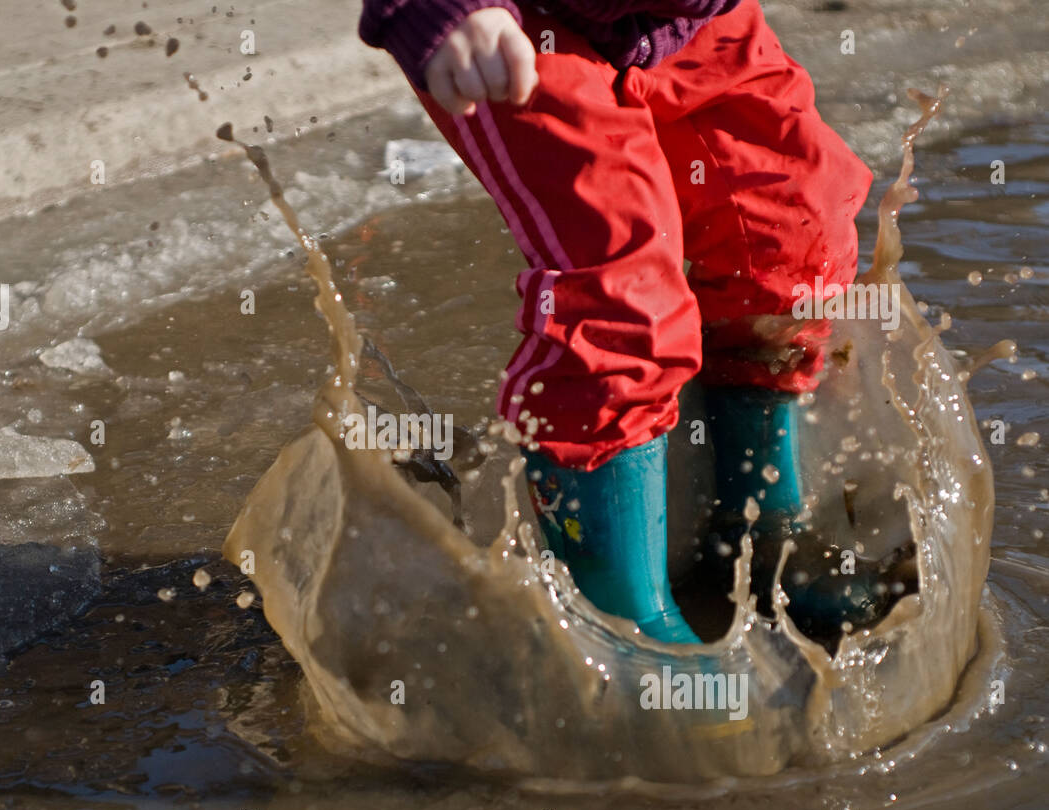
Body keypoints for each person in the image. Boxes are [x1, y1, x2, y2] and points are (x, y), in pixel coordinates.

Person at [358, 0, 874, 643]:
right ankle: (623, 619)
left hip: (693, 20)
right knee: (620, 293)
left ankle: (756, 532)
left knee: (791, 231)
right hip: (520, 26)